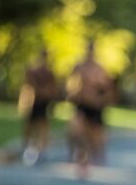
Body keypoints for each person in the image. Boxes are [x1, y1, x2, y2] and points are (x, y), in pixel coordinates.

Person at [66, 38, 116, 175]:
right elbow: (70, 82)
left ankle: (97, 154)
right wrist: (71, 93)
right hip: (81, 104)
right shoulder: (79, 66)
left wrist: (103, 100)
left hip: (95, 106)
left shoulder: (100, 69)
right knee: (76, 130)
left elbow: (108, 88)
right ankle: (80, 158)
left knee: (94, 135)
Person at [18, 50, 60, 166]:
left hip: (44, 102)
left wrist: (52, 102)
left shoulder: (49, 72)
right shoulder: (34, 71)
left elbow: (52, 88)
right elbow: (28, 85)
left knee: (42, 127)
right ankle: (27, 148)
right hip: (34, 102)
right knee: (30, 127)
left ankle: (42, 151)